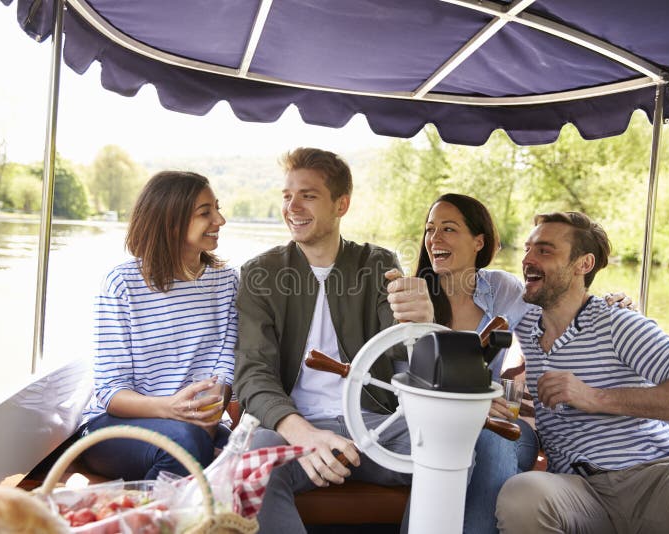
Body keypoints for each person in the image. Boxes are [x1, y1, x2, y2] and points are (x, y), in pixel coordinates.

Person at [496, 211, 669, 533]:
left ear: (583, 265)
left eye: (544, 250)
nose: (528, 259)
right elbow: (470, 291)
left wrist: (595, 397)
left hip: (658, 478)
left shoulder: (618, 323)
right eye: (528, 248)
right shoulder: (523, 320)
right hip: (578, 489)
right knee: (522, 495)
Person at [233, 147, 434, 533]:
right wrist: (303, 434)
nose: (292, 206)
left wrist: (422, 322)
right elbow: (252, 375)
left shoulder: (378, 263)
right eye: (287, 196)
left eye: (308, 195)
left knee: (451, 449)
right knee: (253, 456)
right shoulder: (261, 272)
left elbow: (402, 350)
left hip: (375, 427)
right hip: (294, 426)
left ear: (341, 205)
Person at [415, 194, 633, 534]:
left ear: (478, 242)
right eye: (430, 229)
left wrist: (606, 304)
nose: (435, 239)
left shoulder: (503, 289)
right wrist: (472, 399)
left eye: (448, 229)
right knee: (445, 446)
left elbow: (559, 304)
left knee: (493, 435)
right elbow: (402, 379)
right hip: (437, 423)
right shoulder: (413, 299)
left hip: (502, 423)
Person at [81, 171, 238, 480]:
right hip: (115, 427)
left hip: (198, 425)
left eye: (216, 208)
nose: (219, 220)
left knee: (254, 451)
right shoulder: (120, 284)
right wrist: (171, 409)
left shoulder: (227, 281)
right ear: (171, 222)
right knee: (185, 444)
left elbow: (226, 362)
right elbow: (111, 392)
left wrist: (209, 413)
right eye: (205, 212)